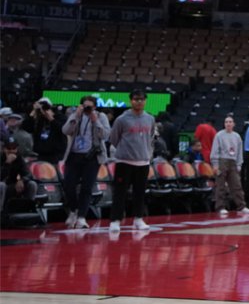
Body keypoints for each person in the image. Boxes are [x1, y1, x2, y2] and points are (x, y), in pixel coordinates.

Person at [108, 90, 157, 232]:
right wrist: (126, 151)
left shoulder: (150, 118)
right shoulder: (122, 119)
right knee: (120, 192)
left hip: (143, 162)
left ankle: (138, 219)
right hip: (124, 161)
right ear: (131, 101)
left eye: (141, 99)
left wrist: (146, 154)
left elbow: (151, 137)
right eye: (136, 99)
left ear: (145, 101)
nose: (139, 102)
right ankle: (115, 220)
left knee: (140, 193)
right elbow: (114, 139)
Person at [61, 96, 111, 230]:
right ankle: (73, 210)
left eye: (90, 106)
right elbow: (65, 131)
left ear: (95, 107)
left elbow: (106, 135)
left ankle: (82, 217)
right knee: (68, 184)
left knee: (86, 187)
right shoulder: (75, 115)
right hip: (74, 155)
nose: (88, 109)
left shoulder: (101, 116)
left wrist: (96, 121)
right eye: (85, 106)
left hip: (92, 156)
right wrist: (75, 117)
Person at [210, 115, 249, 217]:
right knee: (221, 185)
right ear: (224, 124)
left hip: (233, 162)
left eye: (230, 122)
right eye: (226, 122)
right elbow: (215, 150)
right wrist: (215, 164)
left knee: (236, 185)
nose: (228, 124)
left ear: (233, 124)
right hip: (221, 161)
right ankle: (220, 207)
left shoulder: (237, 136)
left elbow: (239, 152)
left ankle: (241, 205)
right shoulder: (219, 135)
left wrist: (239, 164)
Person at [1, 137, 35, 224]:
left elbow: (28, 174)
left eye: (14, 148)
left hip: (12, 186)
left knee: (32, 184)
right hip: (2, 186)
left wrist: (22, 180)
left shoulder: (19, 158)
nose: (12, 151)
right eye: (9, 148)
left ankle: (29, 211)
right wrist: (7, 163)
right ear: (4, 149)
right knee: (1, 185)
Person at [24, 97, 66, 163]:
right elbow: (26, 128)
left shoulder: (60, 117)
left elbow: (63, 130)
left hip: (55, 154)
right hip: (40, 153)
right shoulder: (38, 119)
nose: (44, 110)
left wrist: (51, 119)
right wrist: (34, 112)